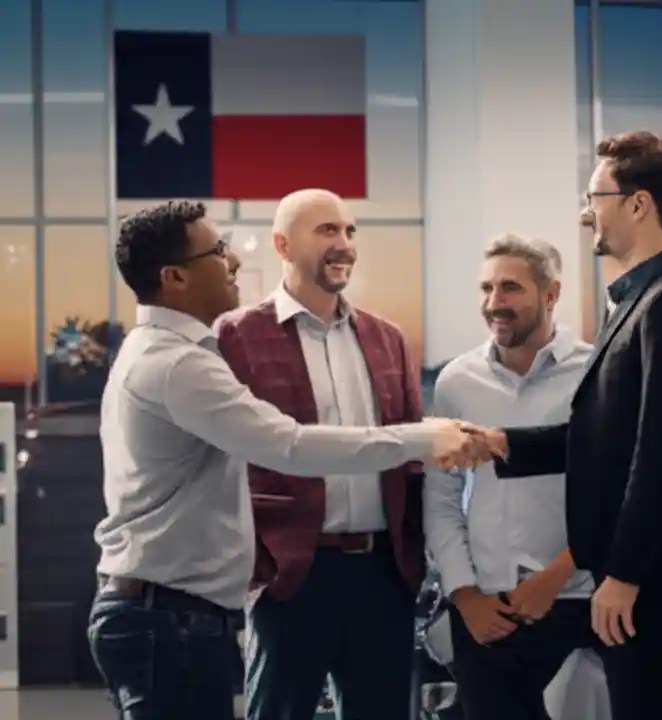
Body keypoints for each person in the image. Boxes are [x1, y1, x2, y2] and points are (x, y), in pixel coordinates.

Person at [89, 200, 483, 720]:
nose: (231, 262)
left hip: (196, 608)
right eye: (218, 250)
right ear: (175, 276)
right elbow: (289, 446)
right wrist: (423, 437)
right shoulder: (184, 361)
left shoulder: (160, 350)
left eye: (349, 228)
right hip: (197, 606)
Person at [469, 131, 662, 720]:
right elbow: (608, 438)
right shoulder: (637, 301)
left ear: (638, 204)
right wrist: (500, 444)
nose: (587, 214)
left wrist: (625, 575)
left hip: (658, 582)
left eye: (596, 197)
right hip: (640, 577)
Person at [214, 189, 425, 719]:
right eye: (327, 231)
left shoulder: (389, 339)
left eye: (349, 231)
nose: (344, 244)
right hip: (290, 574)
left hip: (383, 574)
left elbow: (411, 460)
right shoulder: (235, 336)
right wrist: (257, 566)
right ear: (283, 245)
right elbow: (220, 463)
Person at [426, 233, 607, 720]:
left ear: (551, 294)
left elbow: (612, 489)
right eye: (486, 289)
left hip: (577, 600)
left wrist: (553, 579)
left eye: (509, 288)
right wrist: (465, 598)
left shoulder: (595, 371)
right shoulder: (456, 382)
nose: (493, 303)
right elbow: (440, 499)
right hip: (487, 612)